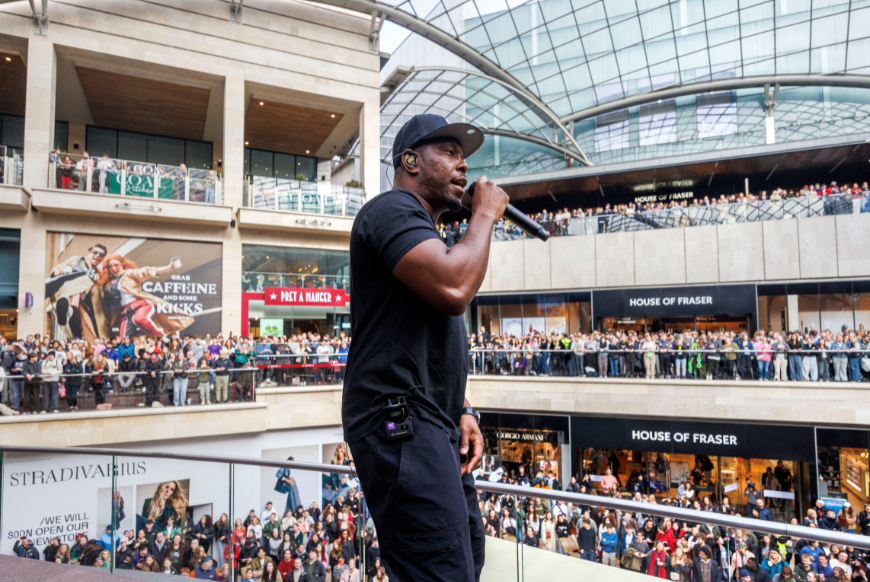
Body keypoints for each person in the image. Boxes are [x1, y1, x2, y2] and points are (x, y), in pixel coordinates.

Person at [342, 114, 501, 582]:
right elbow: (455, 289)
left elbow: (424, 342)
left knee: (467, 554)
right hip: (399, 420)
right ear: (411, 160)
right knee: (443, 569)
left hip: (433, 419)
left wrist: (463, 408)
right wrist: (486, 213)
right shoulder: (389, 210)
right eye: (449, 153)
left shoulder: (426, 233)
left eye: (464, 157)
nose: (463, 167)